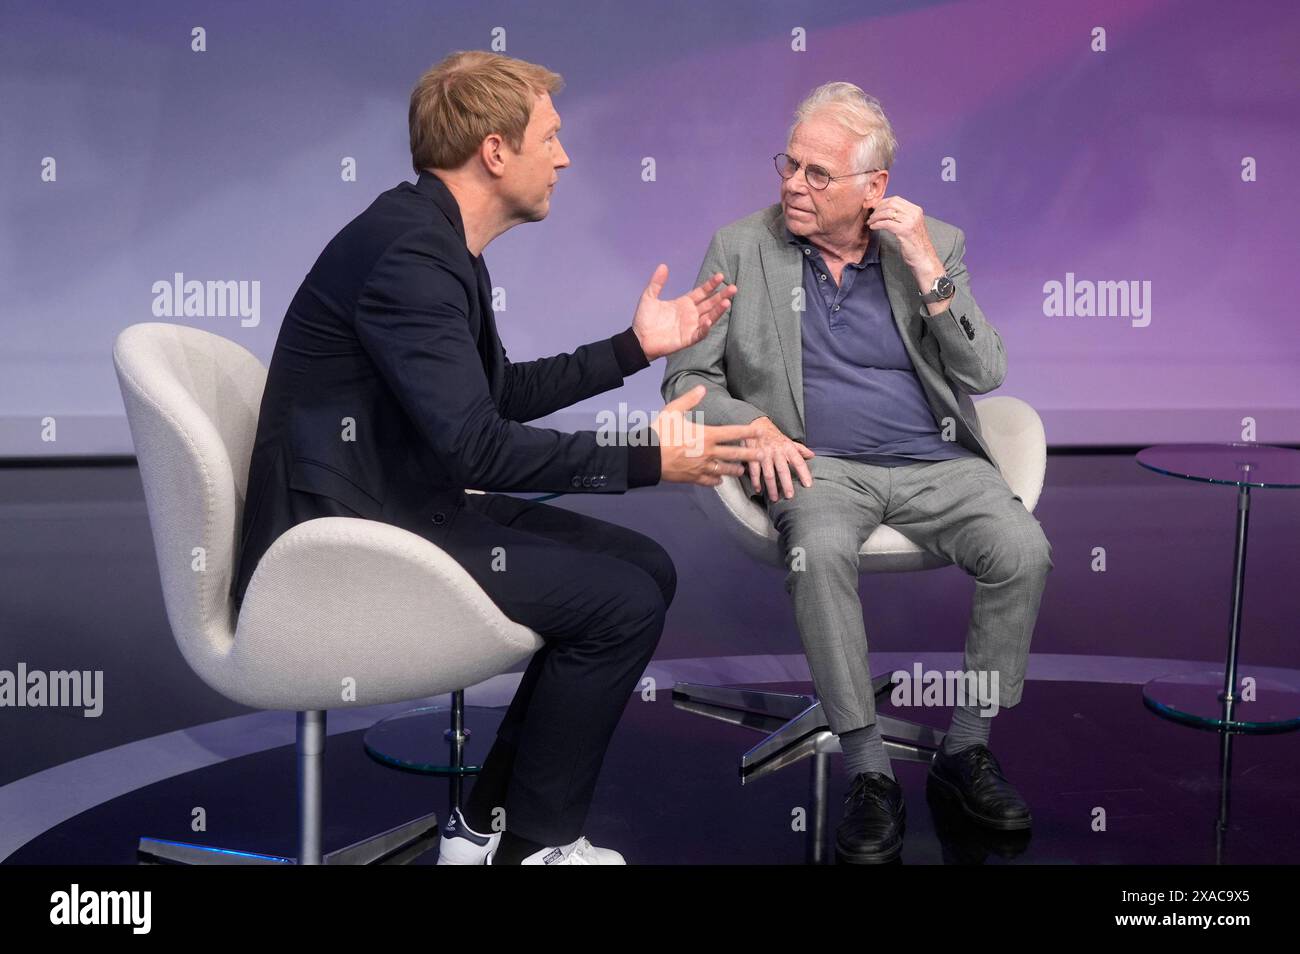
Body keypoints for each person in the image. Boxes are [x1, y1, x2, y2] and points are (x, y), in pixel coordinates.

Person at [231, 50, 762, 865]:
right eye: (550, 138)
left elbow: (494, 393)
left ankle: (481, 831)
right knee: (617, 604)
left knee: (646, 570)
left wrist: (633, 348)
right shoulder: (411, 257)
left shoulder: (433, 236)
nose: (565, 157)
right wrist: (646, 460)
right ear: (493, 150)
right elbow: (478, 445)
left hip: (394, 501)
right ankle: (536, 847)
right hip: (342, 539)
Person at [662, 82, 1053, 864]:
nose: (792, 186)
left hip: (936, 460)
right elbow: (685, 386)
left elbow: (987, 371)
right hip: (819, 466)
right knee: (818, 550)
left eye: (817, 174)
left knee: (1023, 550)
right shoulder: (743, 247)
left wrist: (925, 267)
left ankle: (965, 749)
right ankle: (869, 769)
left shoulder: (932, 241)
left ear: (874, 188)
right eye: (790, 165)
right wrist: (757, 425)